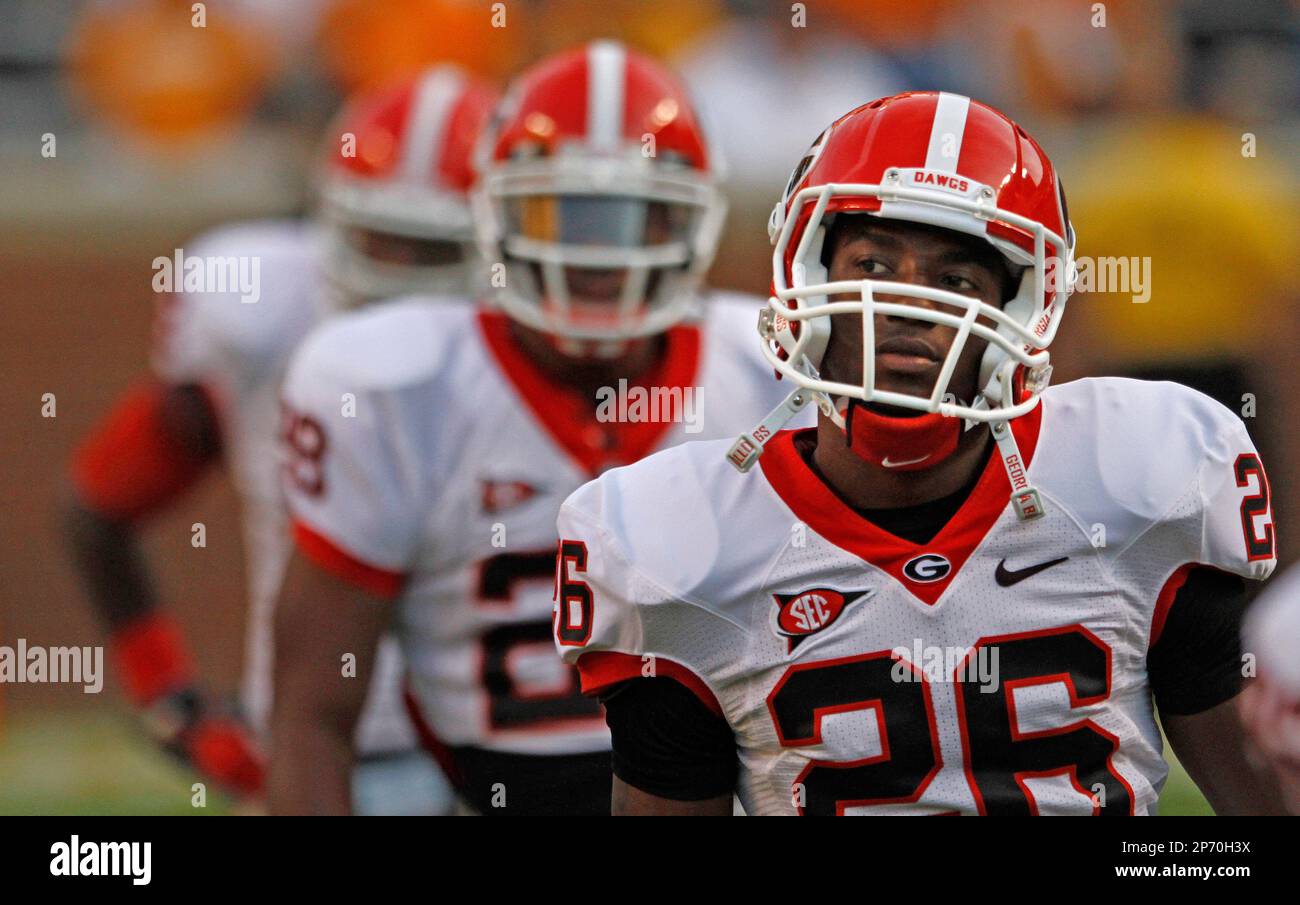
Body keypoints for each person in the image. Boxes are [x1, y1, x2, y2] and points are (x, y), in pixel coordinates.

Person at [554, 91, 1285, 815]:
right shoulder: (681, 546)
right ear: (805, 277)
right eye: (874, 263)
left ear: (1025, 310)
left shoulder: (1139, 478)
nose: (910, 308)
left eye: (957, 280)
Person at [268, 41, 809, 815]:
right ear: (491, 210)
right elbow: (314, 711)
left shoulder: (771, 369)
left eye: (634, 220)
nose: (597, 256)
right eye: (562, 215)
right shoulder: (396, 388)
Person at [64, 64, 496, 814]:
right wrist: (169, 698)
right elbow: (97, 510)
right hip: (320, 760)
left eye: (428, 251)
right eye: (379, 238)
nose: (397, 273)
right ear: (328, 215)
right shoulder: (258, 313)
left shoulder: (555, 349)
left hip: (522, 761)